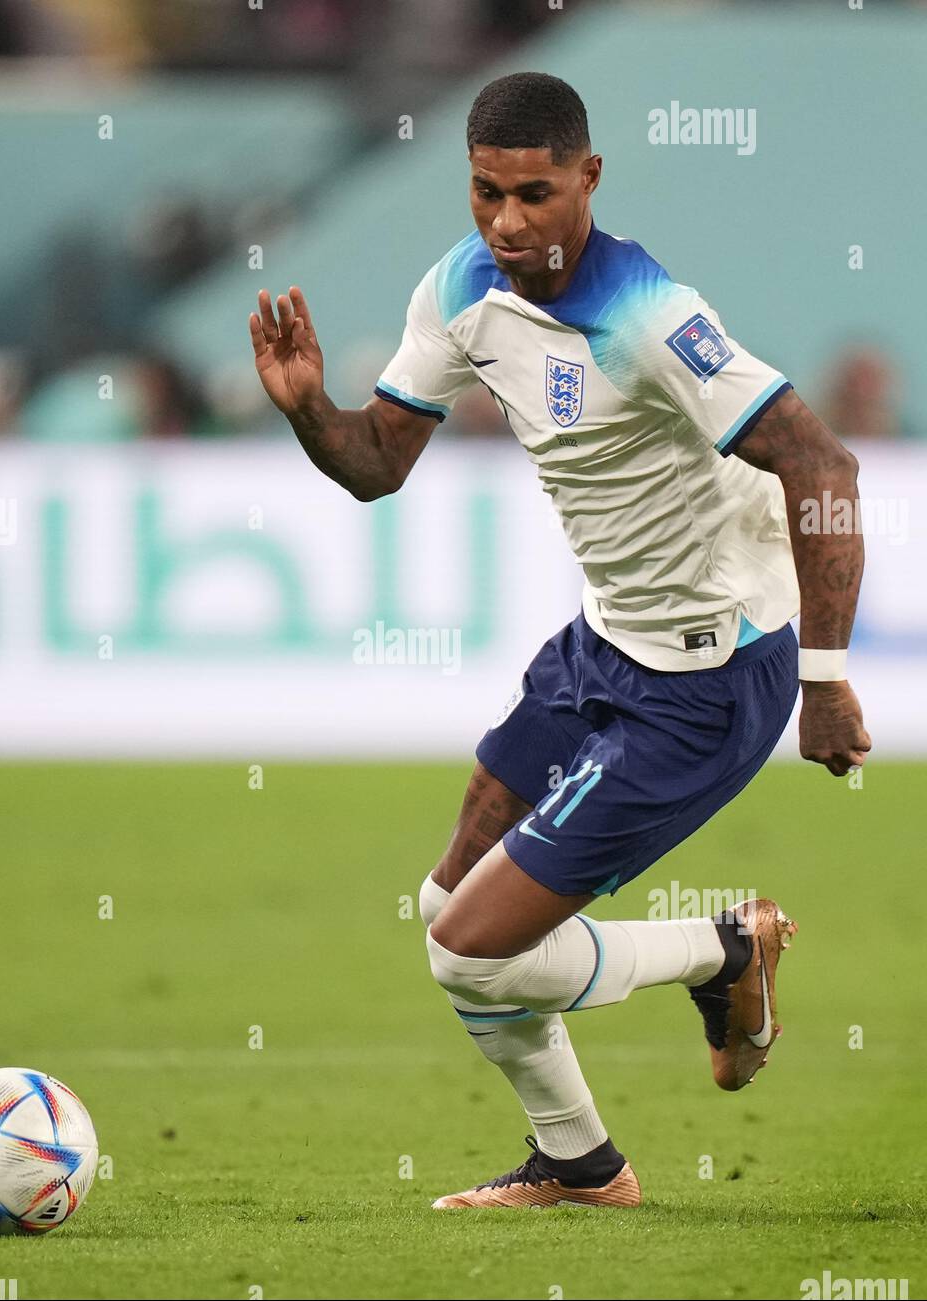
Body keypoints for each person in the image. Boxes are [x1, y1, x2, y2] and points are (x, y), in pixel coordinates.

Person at [248, 72, 871, 1209]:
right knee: (447, 913)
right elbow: (378, 463)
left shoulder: (650, 314)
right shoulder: (460, 286)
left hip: (708, 676)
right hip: (600, 646)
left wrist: (825, 682)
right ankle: (580, 1166)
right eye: (486, 192)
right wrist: (304, 408)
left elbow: (823, 468)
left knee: (468, 953)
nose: (506, 222)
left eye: (533, 194)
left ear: (587, 178)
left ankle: (722, 951)